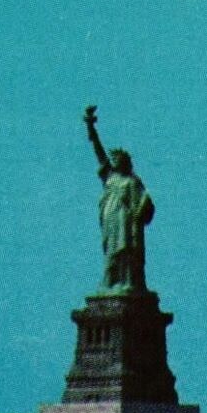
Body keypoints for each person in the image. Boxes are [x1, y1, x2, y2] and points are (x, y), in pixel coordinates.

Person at [86, 106, 155, 293]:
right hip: (111, 222)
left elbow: (146, 201)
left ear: (125, 162)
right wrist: (91, 127)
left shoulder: (133, 181)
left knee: (127, 253)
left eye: (117, 159)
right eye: (113, 159)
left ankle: (128, 283)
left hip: (127, 222)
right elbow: (99, 153)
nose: (114, 161)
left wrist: (140, 210)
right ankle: (110, 284)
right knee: (112, 253)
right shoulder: (110, 177)